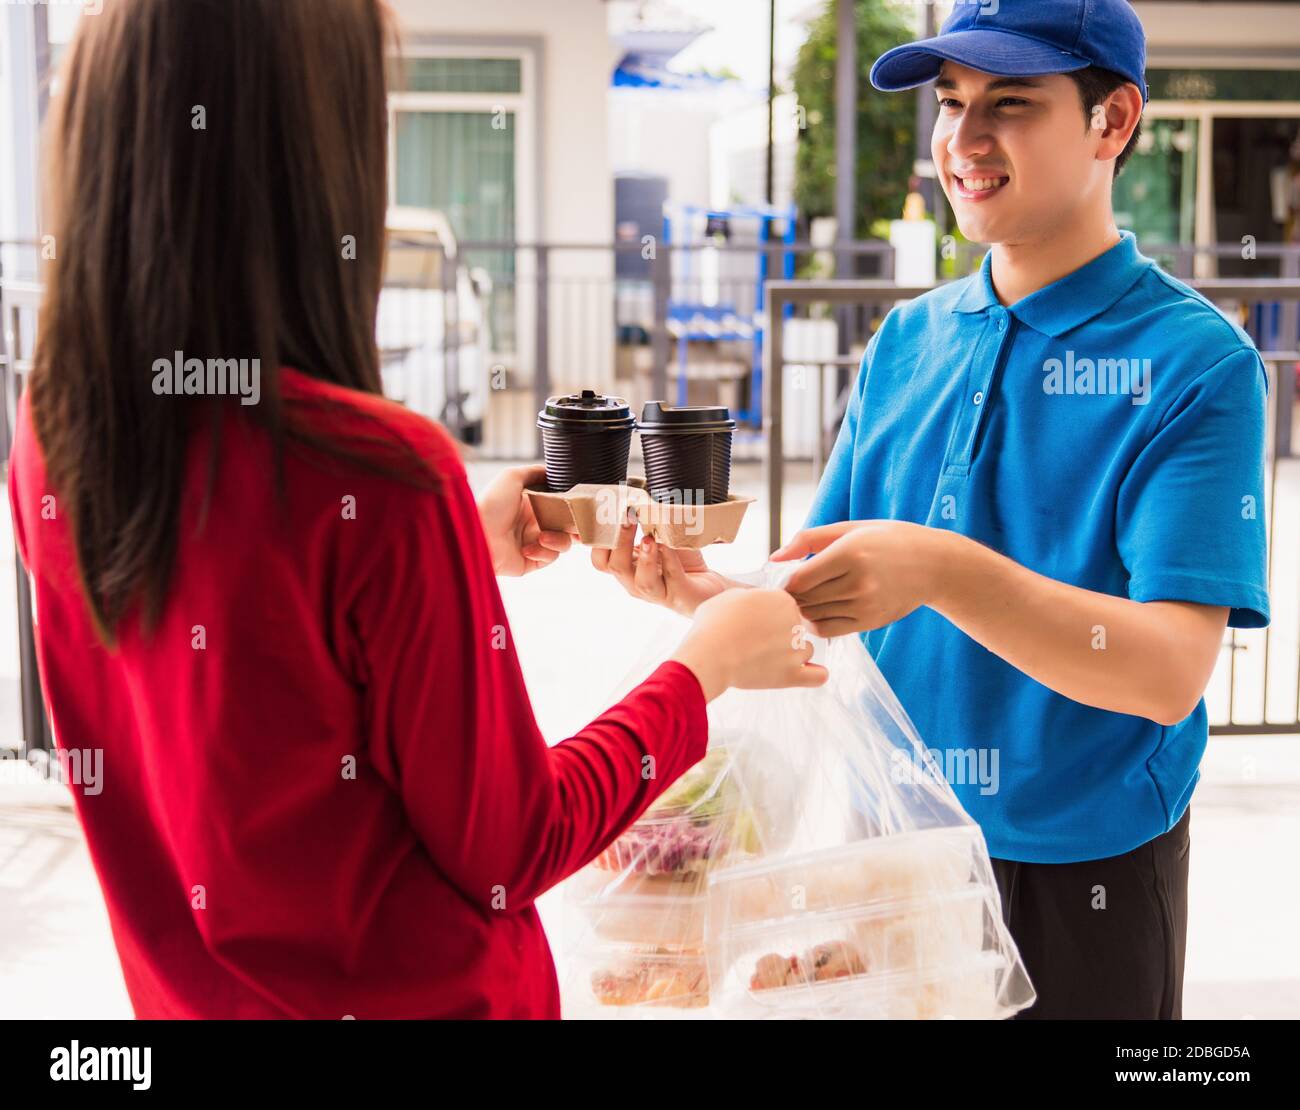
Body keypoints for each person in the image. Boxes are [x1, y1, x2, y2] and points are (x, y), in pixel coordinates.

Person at [7, 0, 826, 1020]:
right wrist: (703, 667)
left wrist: (448, 558)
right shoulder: (383, 471)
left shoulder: (63, 432)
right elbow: (515, 847)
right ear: (311, 157)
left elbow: (252, 677)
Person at [595, 0, 1270, 1019]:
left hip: (1084, 873)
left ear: (1113, 121)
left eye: (1010, 103)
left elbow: (1165, 672)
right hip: (892, 853)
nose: (962, 138)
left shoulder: (1196, 366)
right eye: (950, 103)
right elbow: (820, 600)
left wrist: (942, 569)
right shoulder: (906, 341)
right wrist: (705, 592)